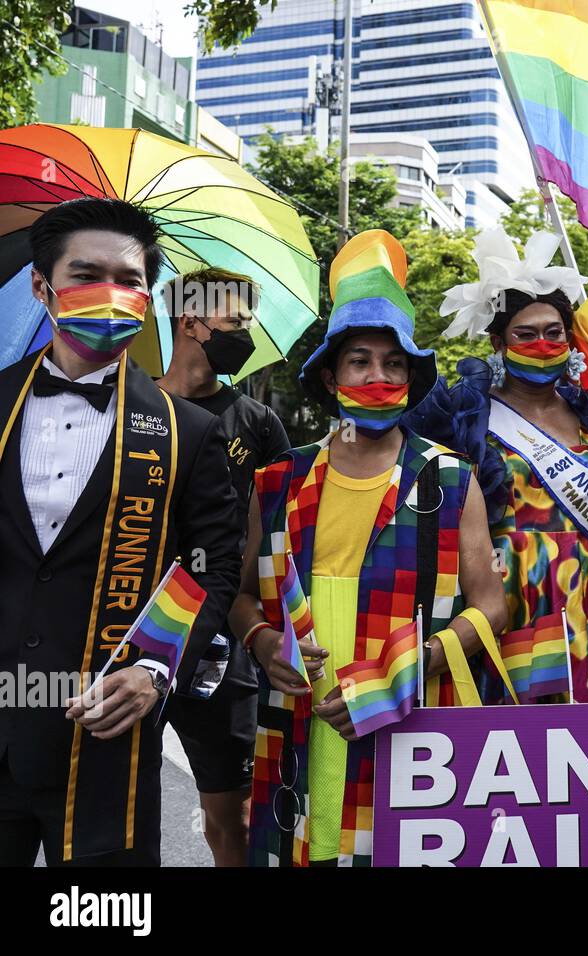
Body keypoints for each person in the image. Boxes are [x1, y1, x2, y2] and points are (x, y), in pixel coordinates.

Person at [227, 230, 506, 866]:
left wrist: (407, 672)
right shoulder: (279, 481)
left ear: (412, 378)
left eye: (394, 364)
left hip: (413, 722)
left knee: (400, 850)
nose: (378, 377)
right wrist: (262, 642)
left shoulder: (452, 479)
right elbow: (241, 597)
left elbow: (491, 606)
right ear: (331, 375)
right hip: (297, 719)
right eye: (360, 361)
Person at [0, 197, 242, 866]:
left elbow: (210, 568)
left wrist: (155, 670)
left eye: (129, 278)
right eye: (86, 273)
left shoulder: (188, 433)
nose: (110, 292)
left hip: (106, 739)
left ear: (148, 296)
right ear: (42, 287)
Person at [408, 227, 588, 702]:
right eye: (525, 335)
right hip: (505, 593)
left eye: (554, 333)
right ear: (498, 343)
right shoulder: (465, 416)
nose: (542, 344)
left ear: (570, 341)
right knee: (518, 736)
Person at [155, 267, 291, 867]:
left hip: (220, 640)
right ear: (191, 322)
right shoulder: (127, 407)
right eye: (236, 323)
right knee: (114, 805)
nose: (246, 336)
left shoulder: (257, 423)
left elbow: (286, 535)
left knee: (229, 814)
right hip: (125, 635)